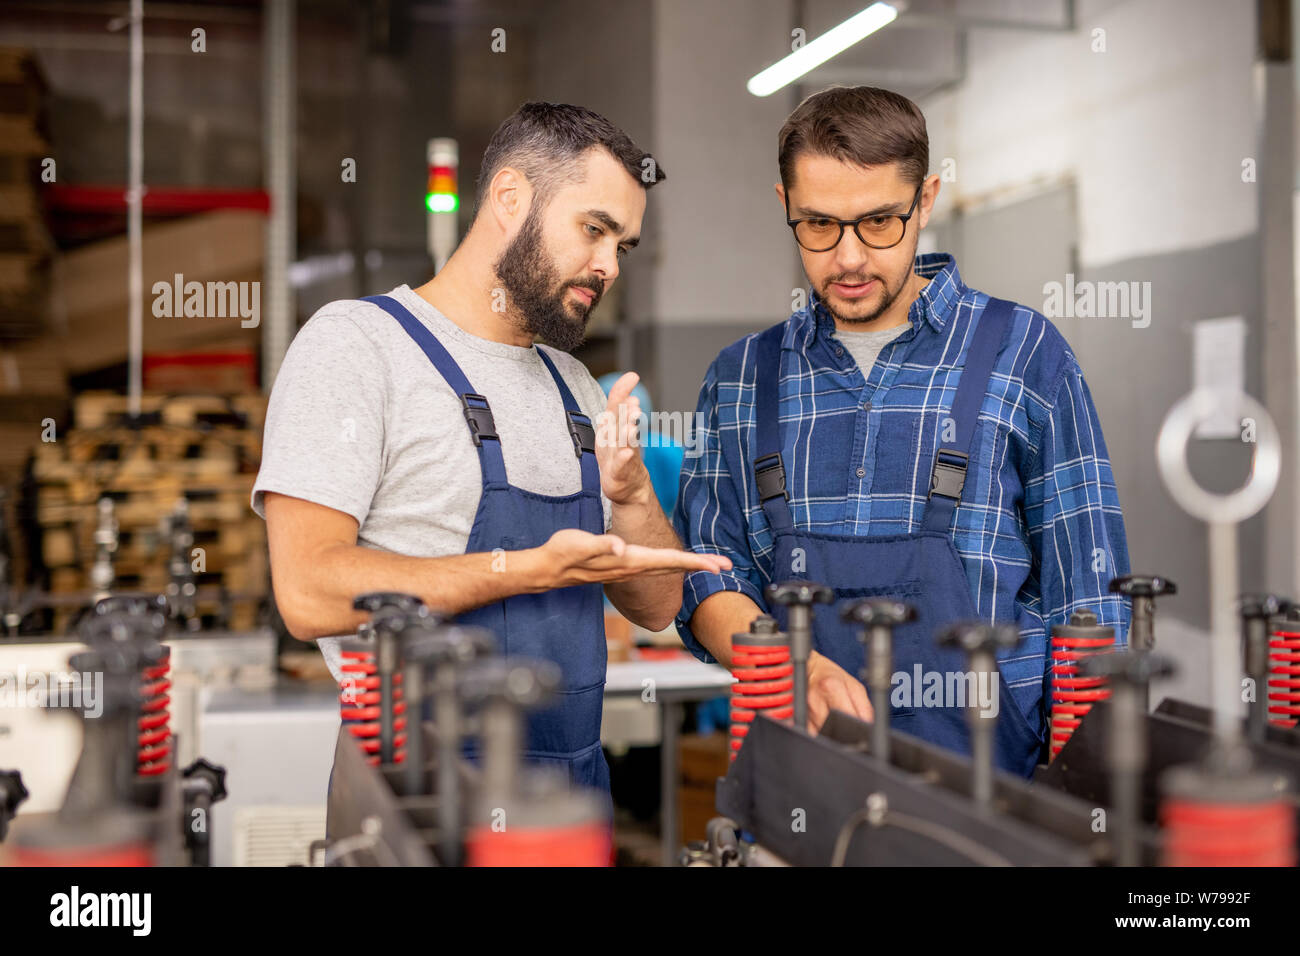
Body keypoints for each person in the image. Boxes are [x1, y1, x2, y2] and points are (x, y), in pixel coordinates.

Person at [254, 102, 729, 792]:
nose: (609, 267)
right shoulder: (357, 345)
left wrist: (626, 497)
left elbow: (656, 607)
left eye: (621, 246)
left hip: (568, 798)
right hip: (417, 804)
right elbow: (307, 591)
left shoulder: (576, 388)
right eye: (593, 229)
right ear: (510, 197)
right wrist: (523, 569)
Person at [673, 86, 1129, 776]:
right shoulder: (740, 378)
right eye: (819, 224)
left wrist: (1084, 806)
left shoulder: (1023, 352)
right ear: (785, 206)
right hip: (800, 790)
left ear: (927, 199)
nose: (850, 258)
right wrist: (796, 670)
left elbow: (1090, 601)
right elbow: (707, 578)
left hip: (989, 796)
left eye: (880, 220)